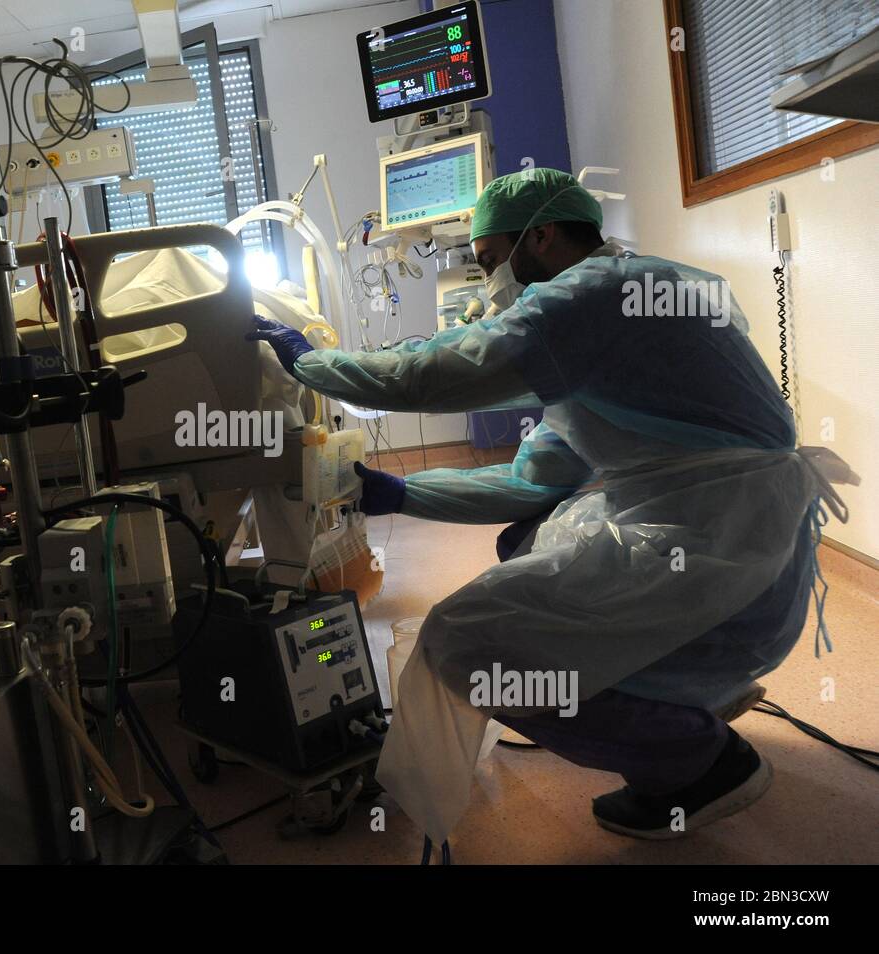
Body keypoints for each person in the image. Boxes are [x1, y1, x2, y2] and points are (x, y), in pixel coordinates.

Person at [247, 169, 856, 843]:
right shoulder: (628, 309)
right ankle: (683, 692)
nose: (491, 286)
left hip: (718, 544)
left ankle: (699, 762)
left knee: (470, 644)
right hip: (745, 542)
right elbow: (533, 485)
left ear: (540, 236)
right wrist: (403, 491)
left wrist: (312, 363)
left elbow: (440, 370)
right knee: (530, 538)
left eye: (489, 263)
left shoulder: (598, 295)